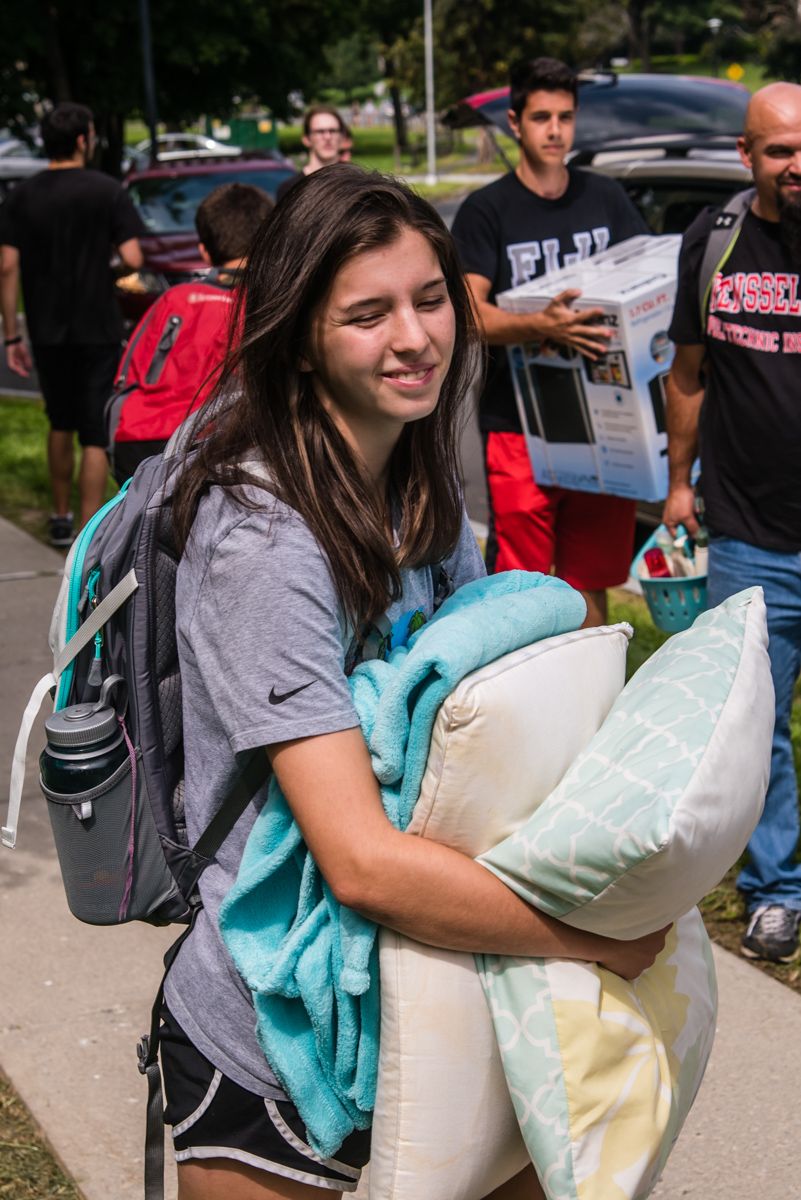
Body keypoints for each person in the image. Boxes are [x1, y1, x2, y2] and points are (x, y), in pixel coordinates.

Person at [161, 166, 667, 1200]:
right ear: (301, 333)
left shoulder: (421, 487)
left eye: (431, 298)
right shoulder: (263, 543)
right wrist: (588, 939)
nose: (416, 338)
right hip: (273, 1039)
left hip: (424, 994)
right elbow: (360, 864)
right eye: (367, 314)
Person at [664, 82, 801, 964]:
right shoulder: (712, 245)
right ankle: (778, 893)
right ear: (747, 155)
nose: (799, 165)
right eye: (781, 150)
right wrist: (678, 485)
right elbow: (686, 374)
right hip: (748, 536)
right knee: (754, 726)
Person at [451, 57, 649, 627]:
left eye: (565, 116)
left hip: (604, 425)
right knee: (522, 589)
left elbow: (645, 282)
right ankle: (531, 709)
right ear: (515, 122)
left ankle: (596, 705)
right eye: (541, 117)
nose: (556, 130)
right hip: (521, 427)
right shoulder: (488, 209)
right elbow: (469, 315)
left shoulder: (606, 197)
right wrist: (543, 327)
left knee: (591, 582)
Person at [0, 102, 146, 546]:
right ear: (84, 139)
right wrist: (110, 270)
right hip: (97, 323)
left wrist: (11, 335)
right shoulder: (106, 191)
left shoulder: (21, 195)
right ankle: (89, 530)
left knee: (58, 421)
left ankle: (59, 516)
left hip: (46, 326)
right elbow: (134, 259)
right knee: (94, 429)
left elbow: (6, 267)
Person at [111, 181, 273, 484]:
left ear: (204, 251)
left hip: (138, 440)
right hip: (212, 444)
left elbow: (127, 378)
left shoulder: (174, 299)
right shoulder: (265, 304)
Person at [275, 106, 347, 203]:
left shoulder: (356, 185)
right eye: (320, 131)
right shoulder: (290, 190)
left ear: (342, 136)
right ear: (306, 138)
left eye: (333, 131)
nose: (327, 136)